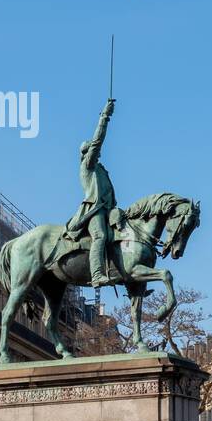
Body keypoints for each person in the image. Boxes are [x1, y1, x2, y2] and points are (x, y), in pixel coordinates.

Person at [65, 99, 120, 287]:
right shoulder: (87, 166)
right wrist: (105, 116)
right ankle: (96, 274)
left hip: (107, 209)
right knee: (100, 237)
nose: (97, 153)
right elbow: (98, 141)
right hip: (93, 210)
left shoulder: (101, 169)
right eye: (93, 150)